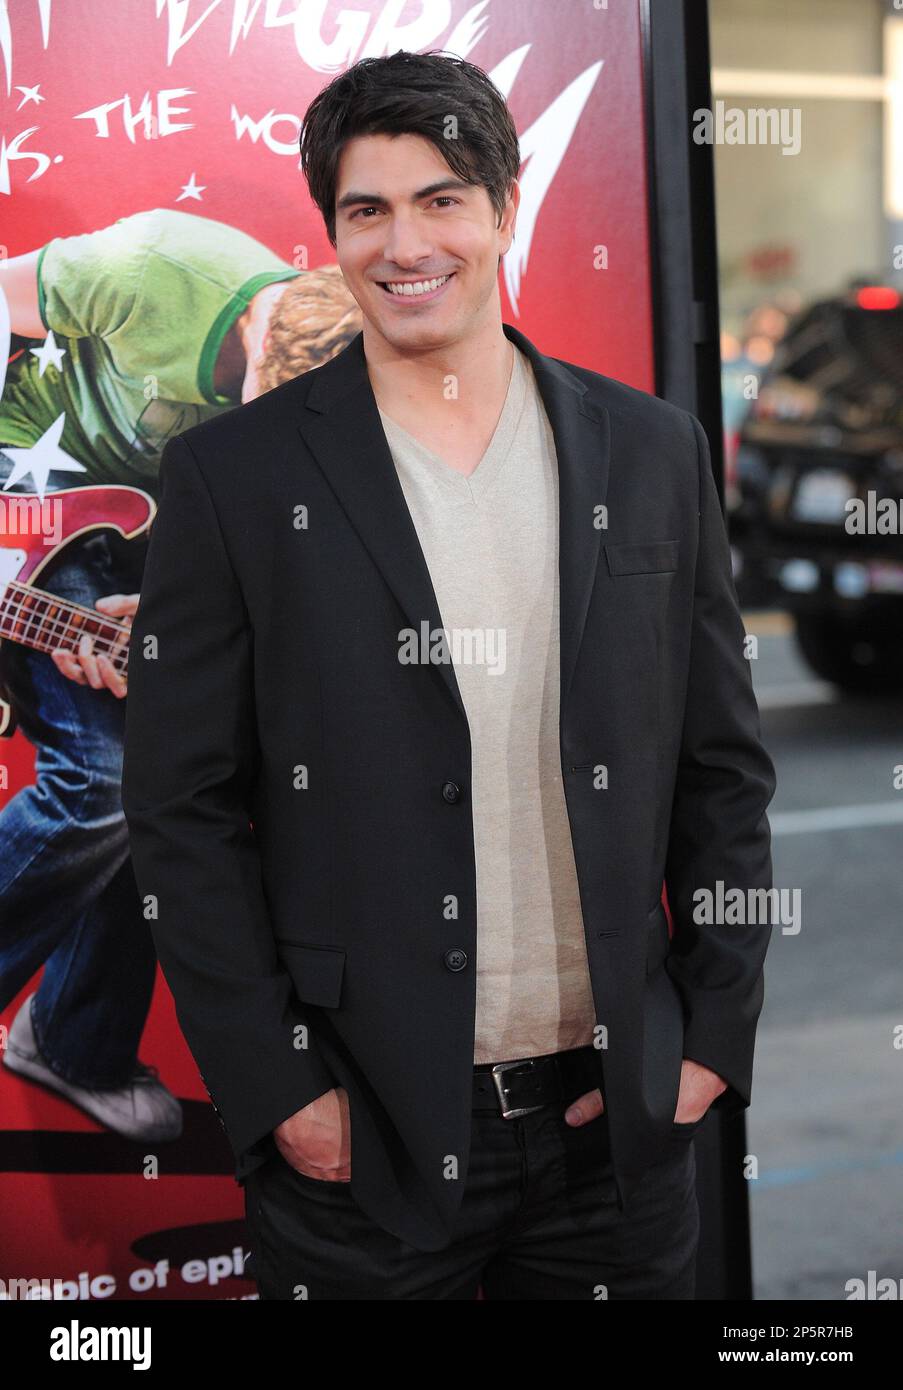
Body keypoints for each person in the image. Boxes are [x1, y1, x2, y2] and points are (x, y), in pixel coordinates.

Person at [120, 50, 777, 1299]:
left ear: (503, 209)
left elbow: (724, 769)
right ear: (331, 233)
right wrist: (281, 1090)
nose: (403, 241)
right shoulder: (236, 478)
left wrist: (710, 1035)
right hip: (360, 1143)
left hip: (616, 1133)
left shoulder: (649, 451)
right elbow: (180, 810)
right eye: (367, 208)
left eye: (440, 199)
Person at [0, 208, 361, 1143]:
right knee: (106, 783)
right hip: (21, 475)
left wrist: (164, 625)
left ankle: (73, 1041)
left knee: (169, 784)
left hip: (133, 530)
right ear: (260, 328)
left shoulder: (334, 415)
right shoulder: (154, 266)